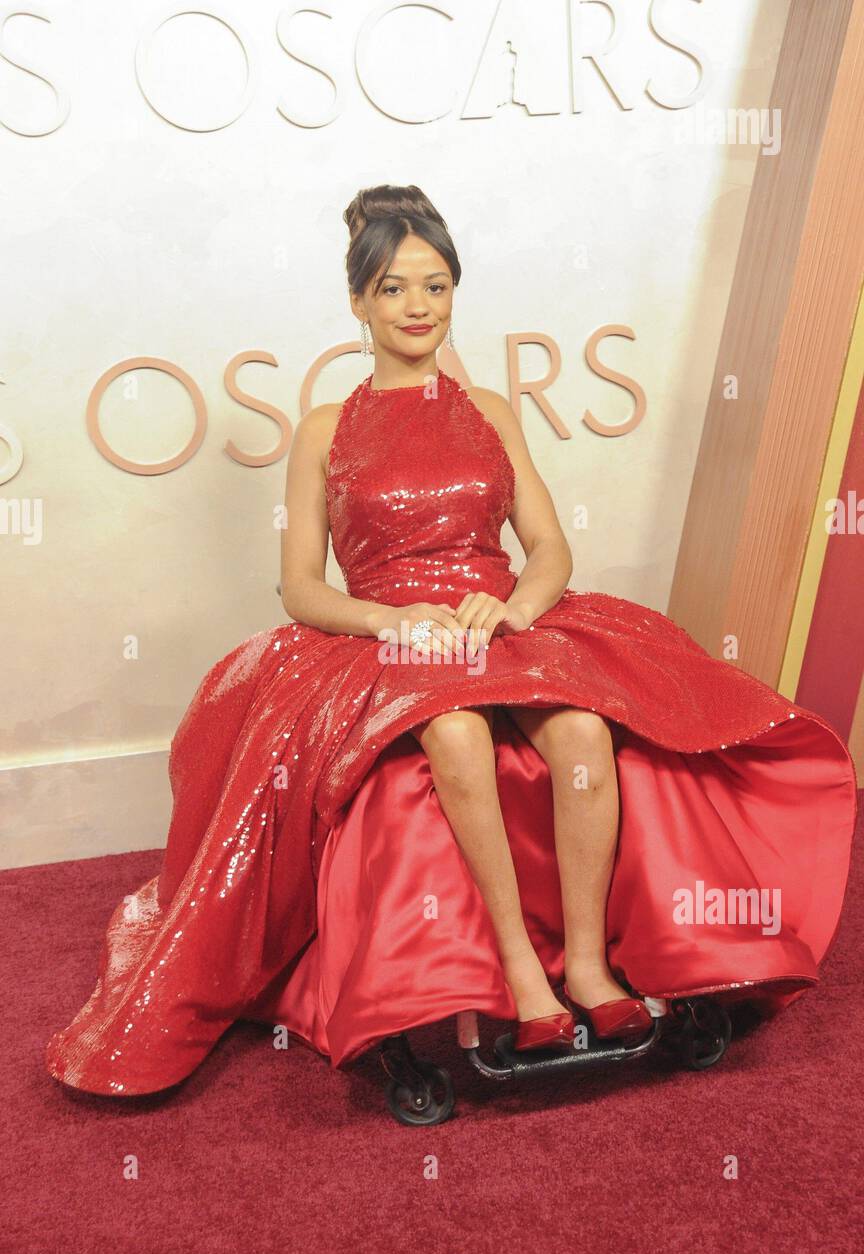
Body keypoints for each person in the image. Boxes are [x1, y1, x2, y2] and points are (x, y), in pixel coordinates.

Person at [46, 184, 858, 1096]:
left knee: (587, 731)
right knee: (457, 733)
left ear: (455, 294)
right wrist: (391, 620)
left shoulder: (491, 413)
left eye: (435, 286)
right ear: (358, 301)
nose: (417, 307)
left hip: (497, 621)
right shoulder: (324, 429)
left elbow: (549, 549)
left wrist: (515, 609)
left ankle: (587, 968)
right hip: (390, 638)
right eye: (393, 289)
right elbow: (301, 586)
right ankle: (519, 974)